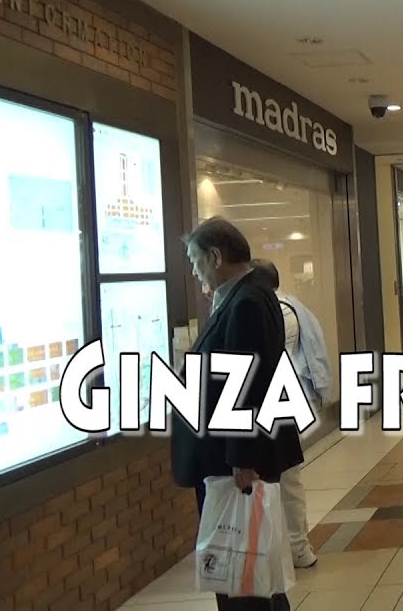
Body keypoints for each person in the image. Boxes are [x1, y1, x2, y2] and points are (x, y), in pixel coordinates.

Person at [173, 217, 302, 610]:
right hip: (233, 458)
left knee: (240, 566)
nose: (195, 273)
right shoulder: (246, 295)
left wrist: (242, 460)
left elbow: (247, 383)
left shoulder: (246, 302)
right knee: (250, 565)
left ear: (216, 256)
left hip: (235, 465)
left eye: (196, 262)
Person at [248, 258, 330, 570]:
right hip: (286, 400)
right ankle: (295, 545)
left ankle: (292, 546)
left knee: (283, 475)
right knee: (288, 476)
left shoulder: (275, 313)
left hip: (276, 403)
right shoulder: (292, 307)